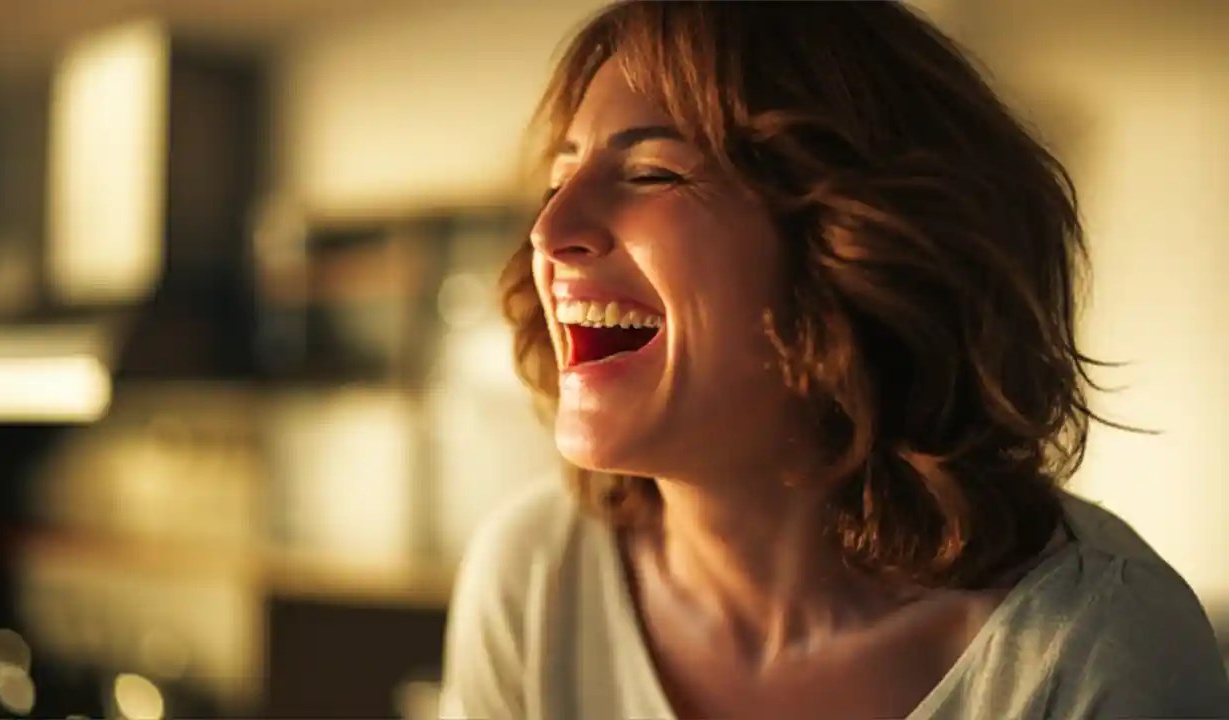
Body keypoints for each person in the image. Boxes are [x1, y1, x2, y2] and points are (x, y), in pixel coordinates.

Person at [440, 2, 1229, 718]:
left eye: (651, 172)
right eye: (558, 177)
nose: (548, 232)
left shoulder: (1096, 650)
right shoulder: (536, 578)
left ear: (857, 246)